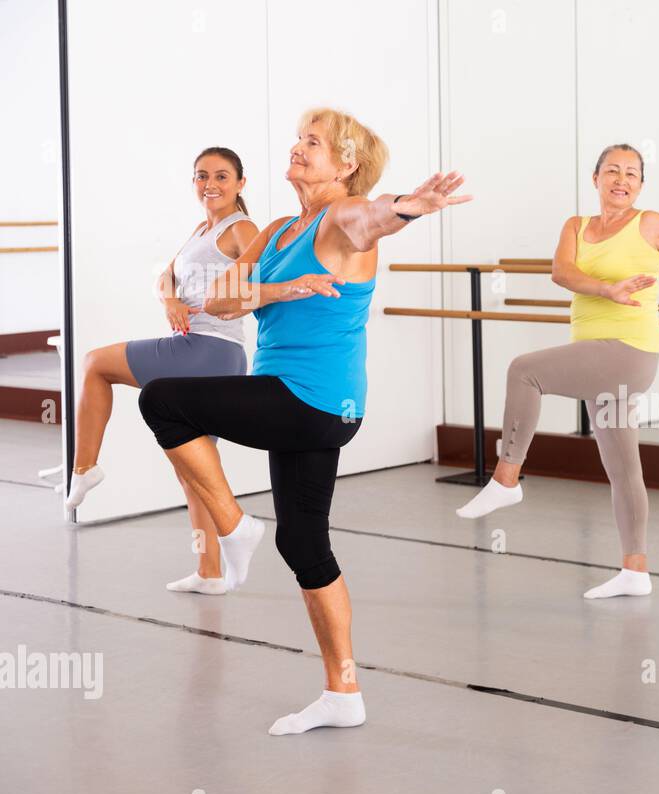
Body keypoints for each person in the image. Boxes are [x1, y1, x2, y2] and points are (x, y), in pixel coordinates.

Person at [138, 108, 471, 734]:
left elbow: (371, 219)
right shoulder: (278, 228)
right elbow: (220, 300)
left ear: (347, 166)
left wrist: (409, 206)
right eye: (298, 139)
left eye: (312, 143)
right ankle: (343, 692)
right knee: (302, 542)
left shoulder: (344, 217)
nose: (297, 148)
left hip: (311, 400)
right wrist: (280, 291)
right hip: (301, 403)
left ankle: (234, 528)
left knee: (161, 399)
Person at [453, 143, 659, 600]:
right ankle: (635, 570)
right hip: (597, 356)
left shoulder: (649, 224)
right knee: (623, 466)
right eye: (612, 170)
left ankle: (507, 478)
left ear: (641, 185)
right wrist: (606, 290)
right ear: (595, 179)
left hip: (629, 352)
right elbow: (562, 272)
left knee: (524, 372)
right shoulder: (576, 226)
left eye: (632, 173)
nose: (622, 179)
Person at [64, 147, 259, 594]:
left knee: (96, 363)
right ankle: (210, 571)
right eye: (201, 175)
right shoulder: (200, 230)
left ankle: (85, 467)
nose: (210, 184)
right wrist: (169, 298)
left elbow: (261, 281)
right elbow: (164, 275)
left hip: (207, 350)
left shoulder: (241, 229)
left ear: (240, 184)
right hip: (207, 354)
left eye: (222, 176)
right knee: (193, 474)